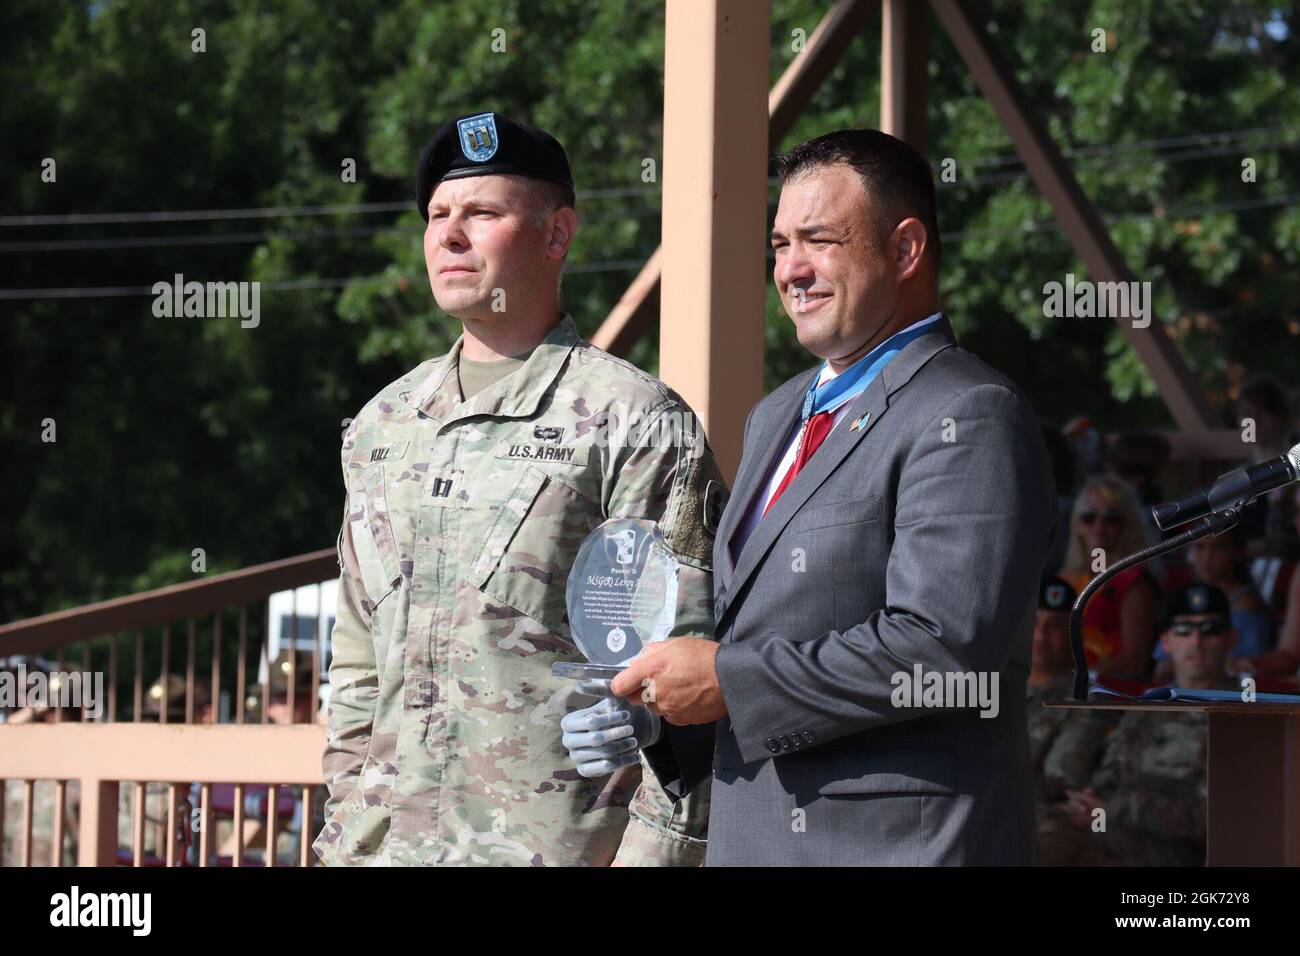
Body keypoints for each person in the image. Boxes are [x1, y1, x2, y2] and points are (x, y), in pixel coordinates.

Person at [610, 129, 1054, 865]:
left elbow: (942, 654)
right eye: (780, 244)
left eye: (819, 241)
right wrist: (655, 705)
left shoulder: (972, 411)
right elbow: (756, 628)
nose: (791, 270)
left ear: (906, 250)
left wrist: (726, 681)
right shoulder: (776, 414)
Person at [314, 112, 725, 867]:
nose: (449, 236)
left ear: (556, 234)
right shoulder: (382, 427)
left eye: (482, 213)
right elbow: (356, 667)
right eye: (438, 216)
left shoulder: (633, 423)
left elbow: (686, 698)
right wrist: (340, 832)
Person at [1047, 584, 1239, 866]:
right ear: (1166, 642)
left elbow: (1223, 817)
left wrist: (1116, 809)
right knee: (1032, 824)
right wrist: (1087, 804)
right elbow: (1110, 775)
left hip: (1180, 853)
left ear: (1231, 639)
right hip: (1115, 832)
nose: (1196, 641)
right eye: (1184, 630)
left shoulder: (1245, 713)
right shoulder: (1147, 706)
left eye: (1210, 629)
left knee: (1050, 840)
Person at [1026, 576, 1121, 865]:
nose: (1041, 635)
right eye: (1034, 623)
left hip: (1045, 821)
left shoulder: (1087, 699)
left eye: (1055, 625)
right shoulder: (992, 687)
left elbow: (1064, 778)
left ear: (1074, 634)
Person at [1060, 475, 1160, 681]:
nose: (1099, 525)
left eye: (1111, 518)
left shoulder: (1134, 582)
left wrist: (1073, 679)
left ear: (1127, 525)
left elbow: (1134, 662)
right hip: (1063, 689)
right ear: (1078, 524)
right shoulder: (1066, 579)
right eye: (1089, 517)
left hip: (1109, 694)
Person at [1151, 524, 1273, 683]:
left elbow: (1245, 666)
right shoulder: (1181, 596)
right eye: (1199, 547)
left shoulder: (1247, 603)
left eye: (1219, 548)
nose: (1207, 557)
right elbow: (1162, 667)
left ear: (1237, 553)